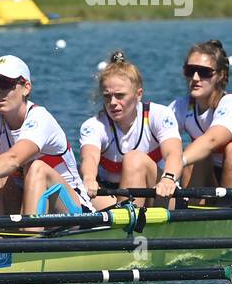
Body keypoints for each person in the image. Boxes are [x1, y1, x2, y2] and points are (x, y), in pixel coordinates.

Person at [0, 55, 92, 215]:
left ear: (26, 87)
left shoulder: (39, 117)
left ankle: (30, 234)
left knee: (36, 168)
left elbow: (13, 159)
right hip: (24, 200)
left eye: (5, 84)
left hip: (74, 209)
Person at [78, 51, 183, 209]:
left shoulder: (159, 115)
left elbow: (174, 153)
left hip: (159, 195)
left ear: (138, 94)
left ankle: (125, 223)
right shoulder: (93, 125)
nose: (112, 102)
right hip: (112, 196)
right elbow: (90, 158)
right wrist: (88, 178)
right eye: (107, 96)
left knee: (134, 159)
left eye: (120, 96)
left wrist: (168, 178)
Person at [170, 39, 232, 189]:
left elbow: (212, 140)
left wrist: (175, 164)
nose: (195, 78)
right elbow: (154, 134)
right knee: (194, 153)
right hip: (211, 179)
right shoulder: (181, 106)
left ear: (220, 75)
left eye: (204, 72)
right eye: (190, 71)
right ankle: (196, 208)